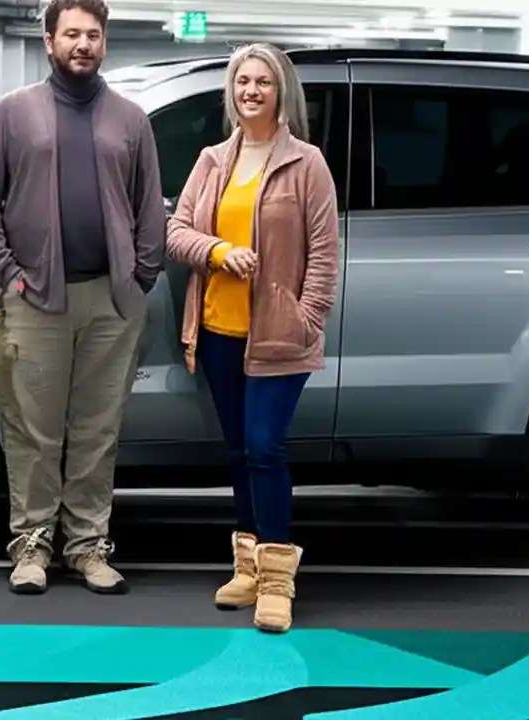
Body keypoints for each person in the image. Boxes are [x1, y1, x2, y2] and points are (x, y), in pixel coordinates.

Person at [0, 0, 165, 596]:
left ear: (105, 44)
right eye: (72, 33)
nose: (83, 43)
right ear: (49, 41)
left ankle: (87, 547)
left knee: (98, 431)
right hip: (35, 302)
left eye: (94, 34)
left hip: (111, 302)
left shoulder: (130, 119)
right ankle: (31, 547)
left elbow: (148, 204)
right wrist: (8, 274)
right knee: (33, 431)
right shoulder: (11, 114)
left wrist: (140, 275)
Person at [165, 43, 339, 633]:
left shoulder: (307, 163)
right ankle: (246, 567)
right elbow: (177, 232)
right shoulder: (213, 160)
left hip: (276, 335)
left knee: (266, 447)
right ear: (231, 91)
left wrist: (306, 318)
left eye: (264, 81)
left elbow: (323, 255)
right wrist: (217, 251)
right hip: (218, 330)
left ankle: (278, 581)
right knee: (238, 450)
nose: (252, 91)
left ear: (281, 91)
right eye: (243, 81)